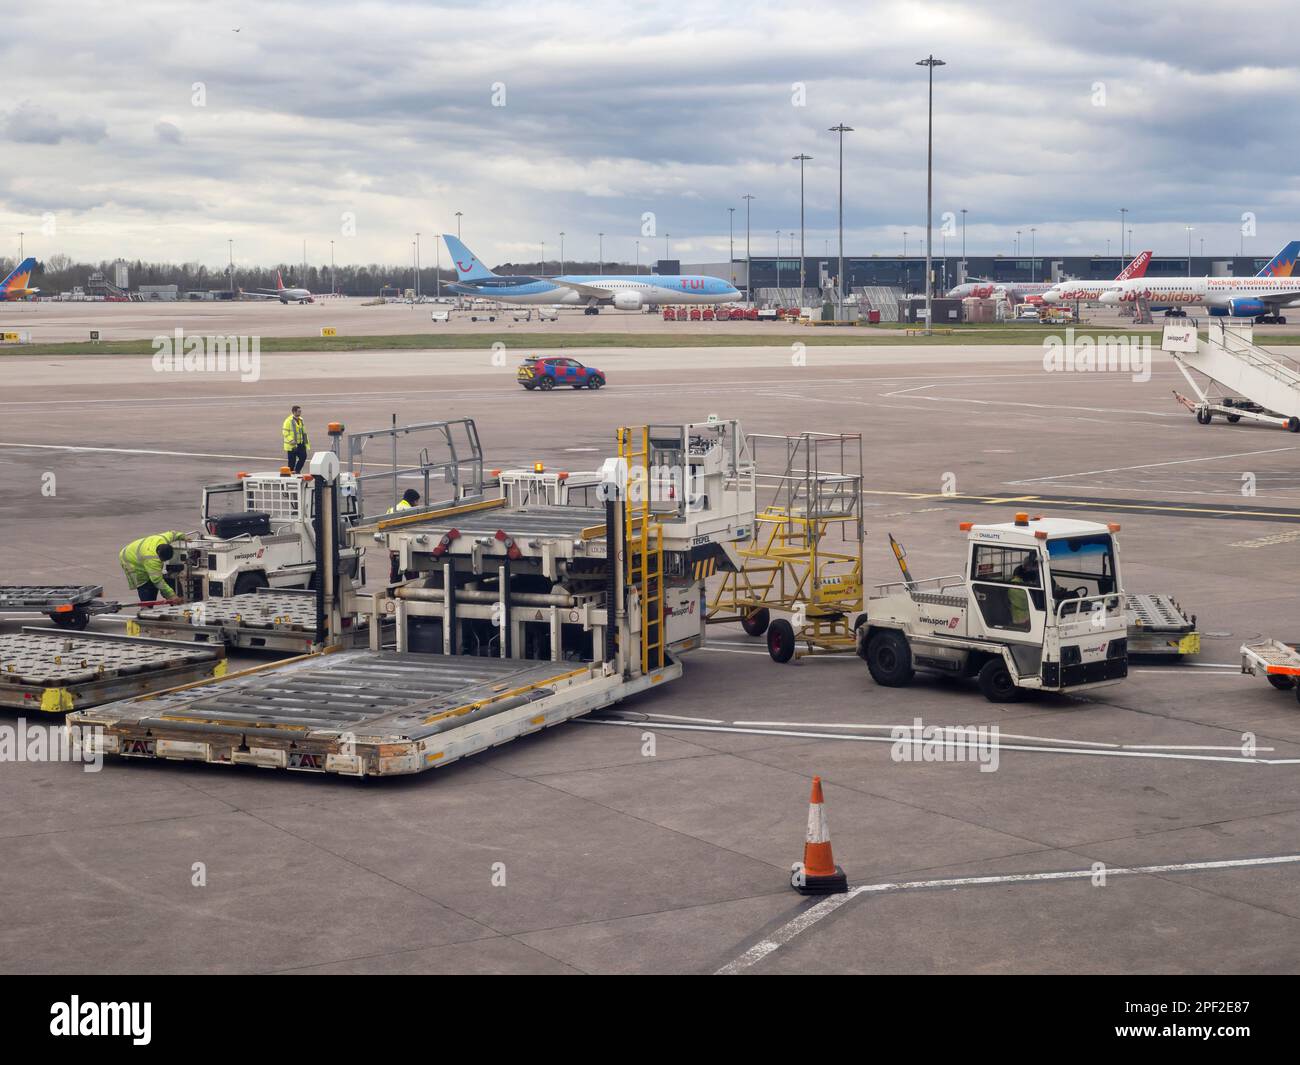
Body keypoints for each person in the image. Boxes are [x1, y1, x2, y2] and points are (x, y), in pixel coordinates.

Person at [119, 531, 187, 603]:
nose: (163, 562)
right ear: (158, 555)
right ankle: (147, 606)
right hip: (129, 559)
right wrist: (171, 595)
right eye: (162, 560)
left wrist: (183, 537)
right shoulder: (151, 558)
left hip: (138, 551)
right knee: (145, 584)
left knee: (158, 577)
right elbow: (157, 580)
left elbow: (173, 534)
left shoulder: (163, 539)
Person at [386, 489, 421, 582]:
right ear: (413, 501)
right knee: (413, 581)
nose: (418, 504)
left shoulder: (392, 509)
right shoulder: (412, 511)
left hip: (394, 550)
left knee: (395, 580)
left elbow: (386, 531)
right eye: (417, 501)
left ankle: (393, 595)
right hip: (408, 551)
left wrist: (391, 549)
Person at [282, 405, 309, 473]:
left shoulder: (301, 420)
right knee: (291, 462)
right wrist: (291, 440)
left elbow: (303, 432)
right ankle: (290, 474)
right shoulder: (288, 421)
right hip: (292, 445)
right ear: (294, 412)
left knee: (303, 457)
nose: (300, 412)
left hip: (300, 443)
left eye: (300, 411)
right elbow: (285, 432)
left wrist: (305, 442)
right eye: (298, 411)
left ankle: (297, 471)